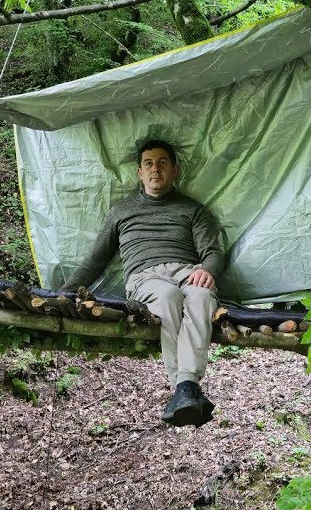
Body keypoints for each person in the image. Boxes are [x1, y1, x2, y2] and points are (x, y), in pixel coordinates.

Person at [61, 139, 224, 427]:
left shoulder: (194, 210)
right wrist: (64, 293)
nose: (155, 169)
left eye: (162, 162)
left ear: (174, 169)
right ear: (139, 172)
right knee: (168, 297)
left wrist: (208, 270)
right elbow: (95, 260)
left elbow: (212, 252)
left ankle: (185, 388)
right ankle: (186, 387)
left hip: (188, 270)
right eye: (148, 163)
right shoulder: (121, 211)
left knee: (199, 296)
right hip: (145, 277)